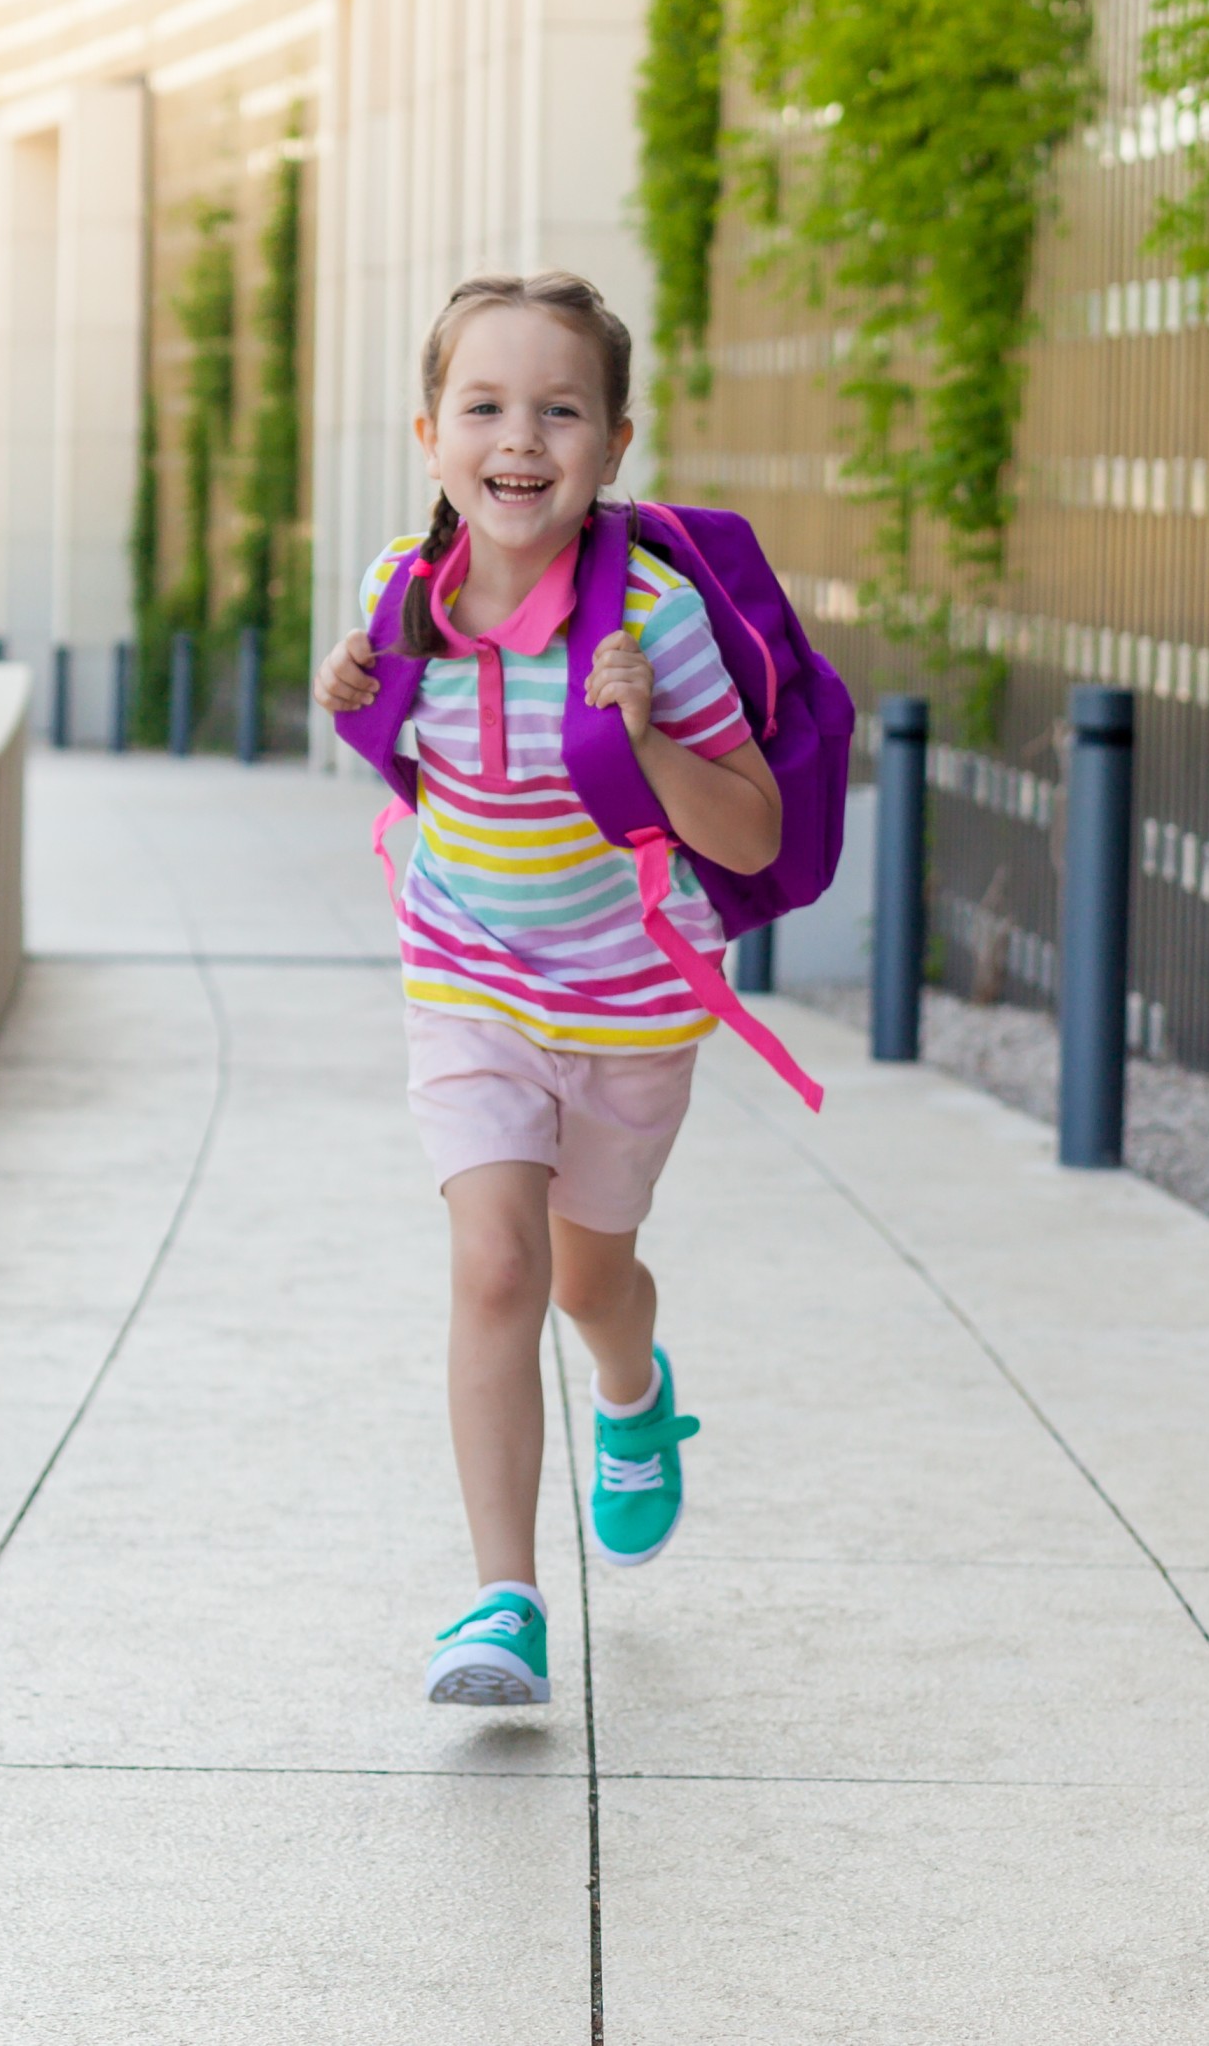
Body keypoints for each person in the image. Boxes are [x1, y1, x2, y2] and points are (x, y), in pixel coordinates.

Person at [312, 272, 784, 1706]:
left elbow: (749, 834)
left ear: (615, 442)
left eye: (559, 409)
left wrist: (647, 741)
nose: (521, 439)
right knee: (498, 1264)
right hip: (469, 981)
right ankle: (500, 1600)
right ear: (430, 431)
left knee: (592, 1278)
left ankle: (635, 1399)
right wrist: (351, 690)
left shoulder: (653, 623)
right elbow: (424, 759)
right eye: (486, 407)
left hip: (632, 1007)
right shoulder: (408, 593)